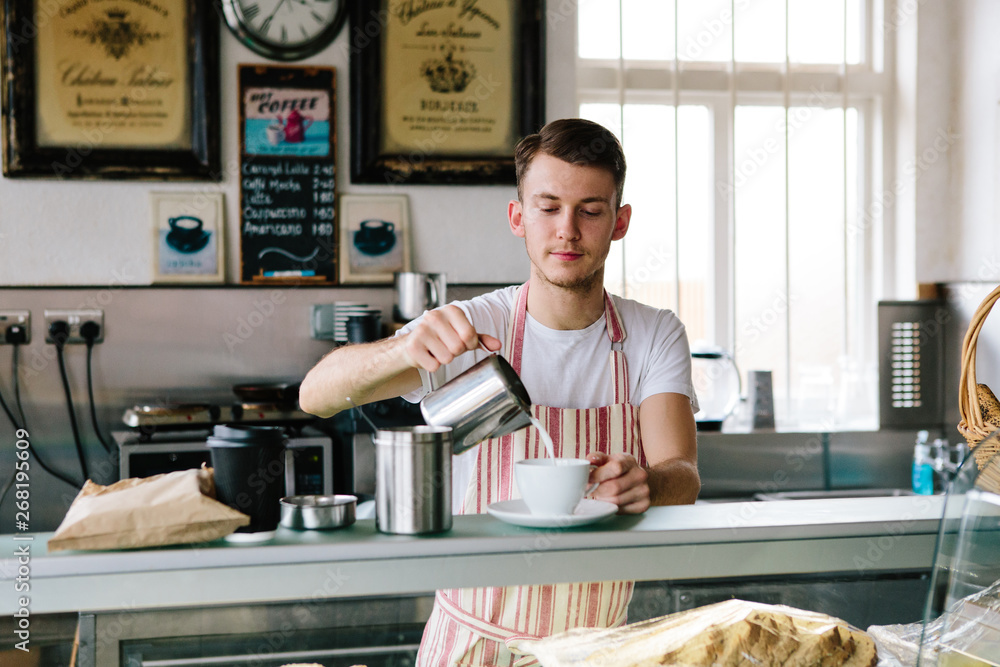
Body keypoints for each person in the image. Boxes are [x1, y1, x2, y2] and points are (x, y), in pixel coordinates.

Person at [299, 118, 700, 666]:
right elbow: (315, 397)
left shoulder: (653, 335)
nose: (568, 230)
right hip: (472, 643)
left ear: (619, 221)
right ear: (518, 217)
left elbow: (683, 474)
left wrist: (646, 483)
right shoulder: (470, 324)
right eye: (549, 206)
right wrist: (402, 349)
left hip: (595, 650)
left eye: (590, 209)